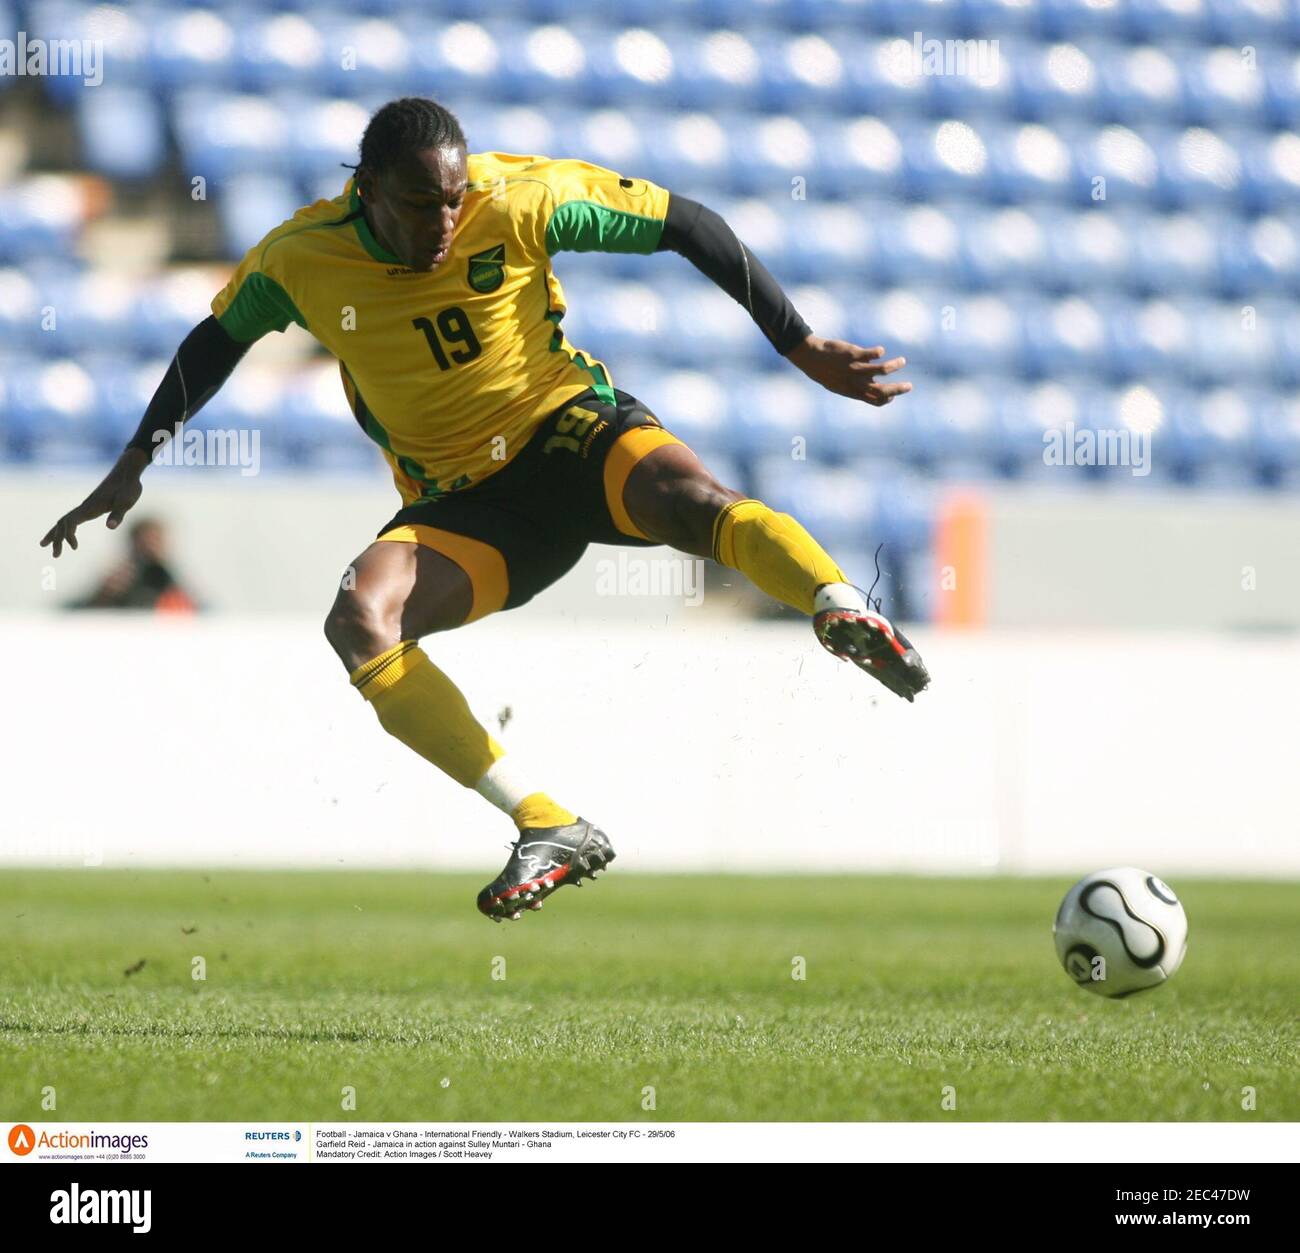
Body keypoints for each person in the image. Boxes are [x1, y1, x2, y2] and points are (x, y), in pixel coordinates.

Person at [40, 97, 929, 922]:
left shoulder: (520, 198)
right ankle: (547, 822)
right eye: (420, 205)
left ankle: (836, 601)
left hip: (568, 430)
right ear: (368, 191)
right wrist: (135, 460)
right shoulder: (300, 257)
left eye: (455, 201)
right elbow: (215, 341)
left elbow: (685, 224)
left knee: (696, 502)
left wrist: (798, 340)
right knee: (360, 616)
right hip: (466, 506)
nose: (444, 223)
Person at [66, 516, 197, 613]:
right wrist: (104, 595)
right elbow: (74, 611)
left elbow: (201, 613)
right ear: (132, 544)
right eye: (144, 543)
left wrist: (174, 587)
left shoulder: (171, 580)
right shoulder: (120, 577)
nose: (150, 549)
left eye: (155, 542)